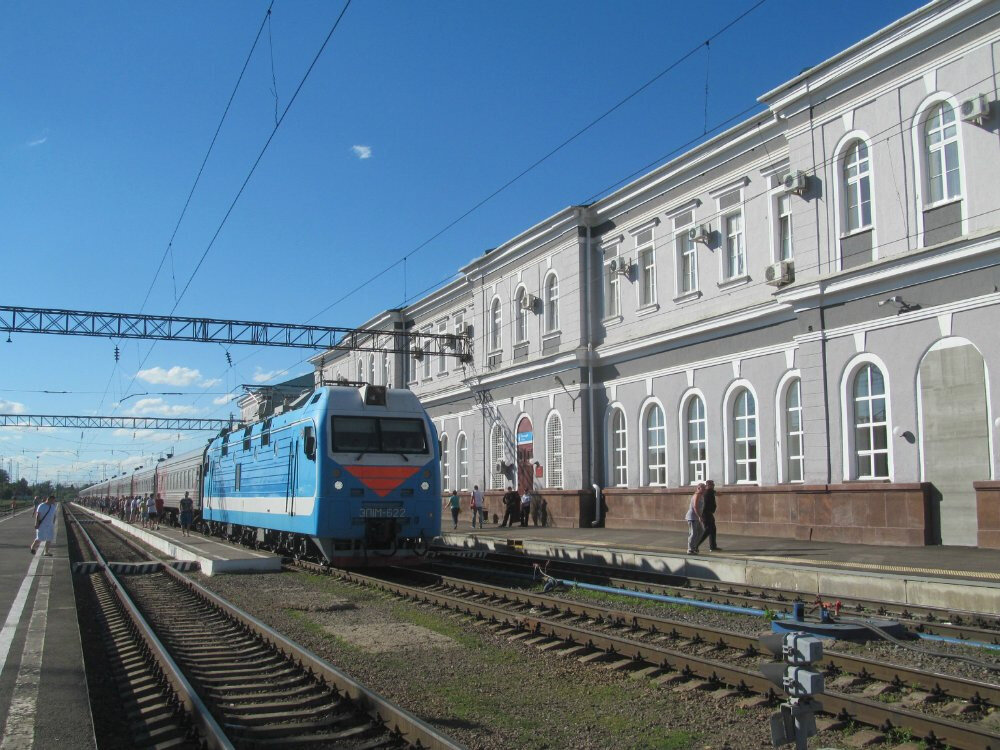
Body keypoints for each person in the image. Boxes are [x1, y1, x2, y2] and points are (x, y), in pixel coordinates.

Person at [696, 479, 720, 552]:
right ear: (708, 485)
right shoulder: (708, 492)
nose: (713, 486)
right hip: (706, 514)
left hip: (709, 513)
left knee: (713, 529)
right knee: (707, 530)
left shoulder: (709, 492)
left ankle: (713, 546)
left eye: (713, 485)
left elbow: (713, 492)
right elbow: (711, 491)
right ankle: (696, 544)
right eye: (712, 485)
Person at [685, 483, 706, 555]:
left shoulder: (701, 495)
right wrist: (699, 516)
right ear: (699, 488)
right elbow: (695, 507)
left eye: (705, 489)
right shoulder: (696, 495)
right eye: (703, 489)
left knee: (701, 531)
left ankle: (694, 546)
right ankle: (690, 549)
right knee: (693, 533)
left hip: (697, 517)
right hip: (692, 517)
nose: (704, 490)